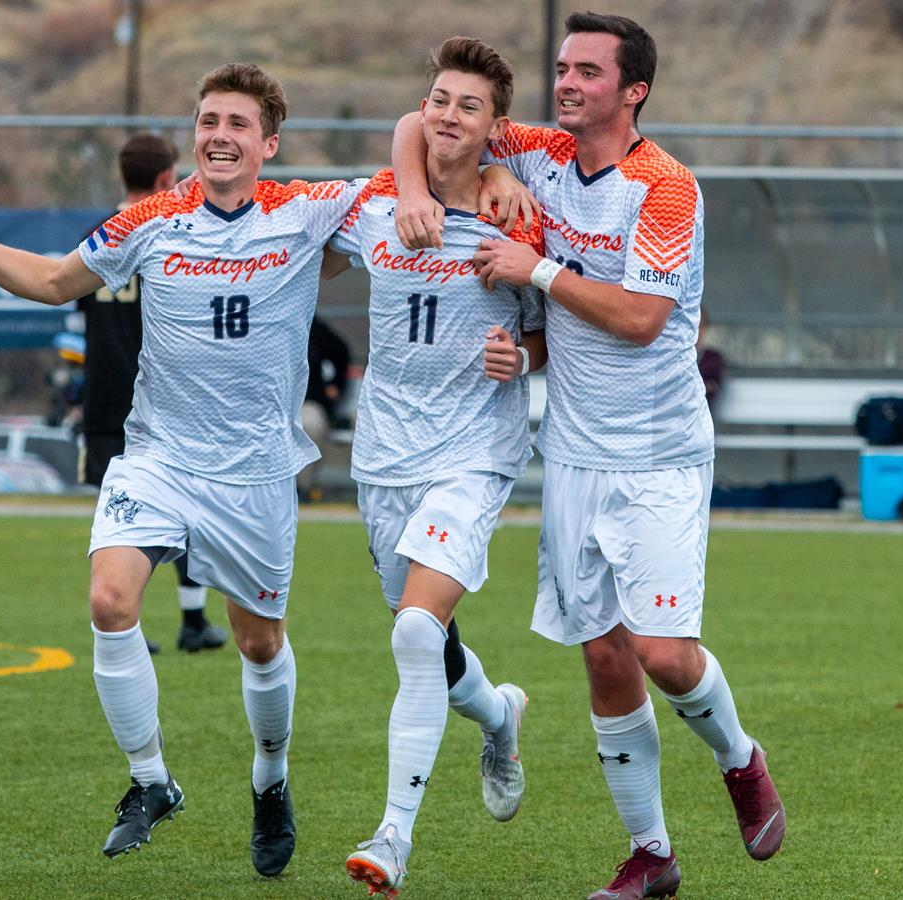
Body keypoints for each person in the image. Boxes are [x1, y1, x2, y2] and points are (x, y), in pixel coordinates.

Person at [0, 63, 364, 877]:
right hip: (154, 456)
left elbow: (423, 174)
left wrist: (497, 172)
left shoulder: (312, 210)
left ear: (269, 143)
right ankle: (151, 782)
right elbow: (52, 281)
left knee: (260, 645)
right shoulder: (152, 220)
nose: (220, 136)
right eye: (208, 120)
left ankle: (270, 780)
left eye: (237, 124)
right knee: (110, 601)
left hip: (255, 474)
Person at [392, 13, 784, 898]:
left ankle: (738, 755)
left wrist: (529, 270)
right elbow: (425, 123)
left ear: (632, 90)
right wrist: (429, 188)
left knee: (664, 654)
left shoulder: (667, 188)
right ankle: (651, 853)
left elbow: (643, 323)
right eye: (562, 68)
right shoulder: (536, 151)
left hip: (659, 453)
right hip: (570, 451)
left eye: (587, 73)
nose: (565, 83)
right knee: (602, 657)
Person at [328, 37, 548, 897]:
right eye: (439, 100)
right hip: (384, 457)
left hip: (473, 454)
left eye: (469, 106)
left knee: (416, 634)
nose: (447, 116)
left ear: (497, 127)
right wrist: (411, 180)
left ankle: (393, 837)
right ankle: (499, 717)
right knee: (430, 641)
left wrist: (520, 357)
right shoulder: (375, 204)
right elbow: (392, 144)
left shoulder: (516, 218)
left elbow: (554, 327)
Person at [75, 133, 227, 654]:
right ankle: (191, 618)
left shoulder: (98, 233)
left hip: (104, 395)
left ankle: (125, 622)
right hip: (162, 396)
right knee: (186, 507)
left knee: (118, 513)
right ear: (167, 178)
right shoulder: (167, 230)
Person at [299, 315, 350, 501]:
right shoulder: (263, 317)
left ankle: (302, 489)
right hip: (271, 403)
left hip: (306, 402)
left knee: (310, 423)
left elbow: (341, 351)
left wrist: (335, 385)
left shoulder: (311, 323)